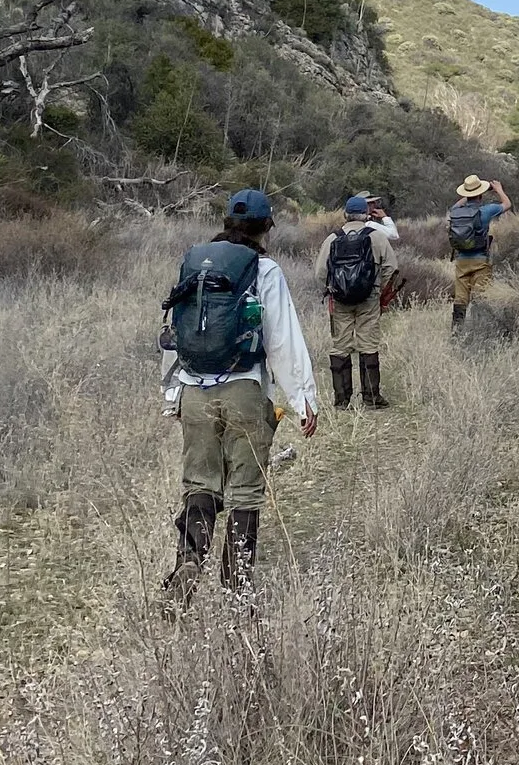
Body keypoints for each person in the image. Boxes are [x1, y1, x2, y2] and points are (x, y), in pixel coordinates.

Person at [161, 189, 317, 600]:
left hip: (194, 391)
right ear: (267, 227)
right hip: (245, 390)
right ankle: (238, 589)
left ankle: (189, 562)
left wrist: (173, 393)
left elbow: (174, 334)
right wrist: (303, 401)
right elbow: (282, 341)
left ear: (227, 221)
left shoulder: (194, 263)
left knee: (200, 483)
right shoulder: (265, 270)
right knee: (245, 491)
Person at [319, 194, 400, 409]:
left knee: (340, 346)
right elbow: (391, 267)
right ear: (365, 215)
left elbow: (320, 272)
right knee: (368, 344)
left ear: (345, 215)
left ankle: (341, 400)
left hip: (340, 300)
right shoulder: (377, 237)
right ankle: (371, 398)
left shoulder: (332, 239)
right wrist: (377, 288)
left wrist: (333, 288)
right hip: (369, 299)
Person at [445, 173, 511, 333]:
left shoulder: (456, 211)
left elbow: (459, 204)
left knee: (460, 298)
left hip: (461, 260)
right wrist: (497, 189)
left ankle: (457, 331)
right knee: (481, 296)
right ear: (480, 194)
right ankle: (479, 330)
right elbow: (507, 204)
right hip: (480, 259)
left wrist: (469, 194)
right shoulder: (486, 211)